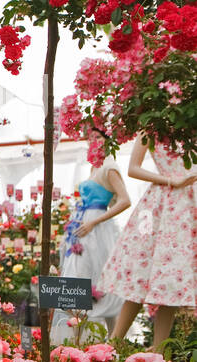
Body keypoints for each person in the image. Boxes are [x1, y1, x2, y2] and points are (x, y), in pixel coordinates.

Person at [99, 139, 197, 349]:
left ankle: (158, 354)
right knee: (141, 273)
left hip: (187, 206)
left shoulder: (188, 122)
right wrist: (171, 180)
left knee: (172, 282)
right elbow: (133, 168)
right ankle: (113, 346)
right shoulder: (153, 122)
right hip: (160, 203)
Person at [50, 160, 130, 344]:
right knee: (80, 277)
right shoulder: (94, 166)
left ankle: (107, 340)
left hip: (97, 229)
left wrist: (95, 221)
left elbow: (125, 200)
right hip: (83, 229)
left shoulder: (109, 167)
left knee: (98, 280)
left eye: (97, 135)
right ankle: (77, 339)